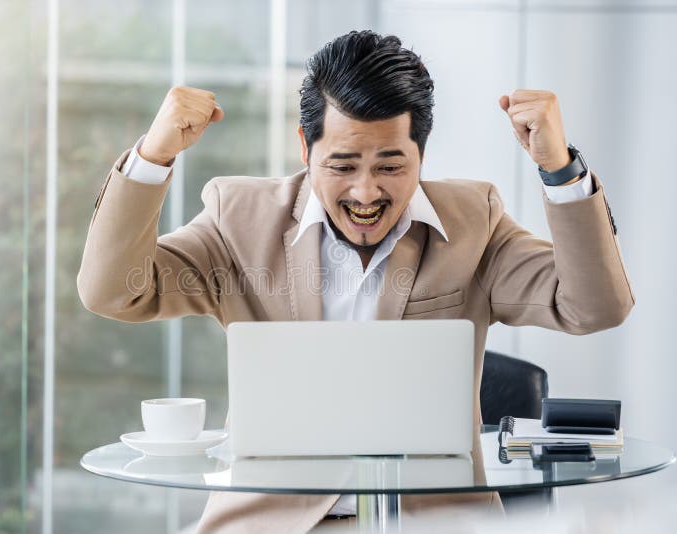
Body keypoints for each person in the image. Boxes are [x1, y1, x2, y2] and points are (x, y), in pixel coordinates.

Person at [77, 30, 634, 533]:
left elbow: (593, 306)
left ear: (422, 154)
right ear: (305, 148)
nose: (366, 193)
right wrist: (153, 159)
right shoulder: (239, 220)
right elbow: (115, 291)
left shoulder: (473, 222)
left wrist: (560, 170)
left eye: (391, 166)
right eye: (342, 165)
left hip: (430, 526)